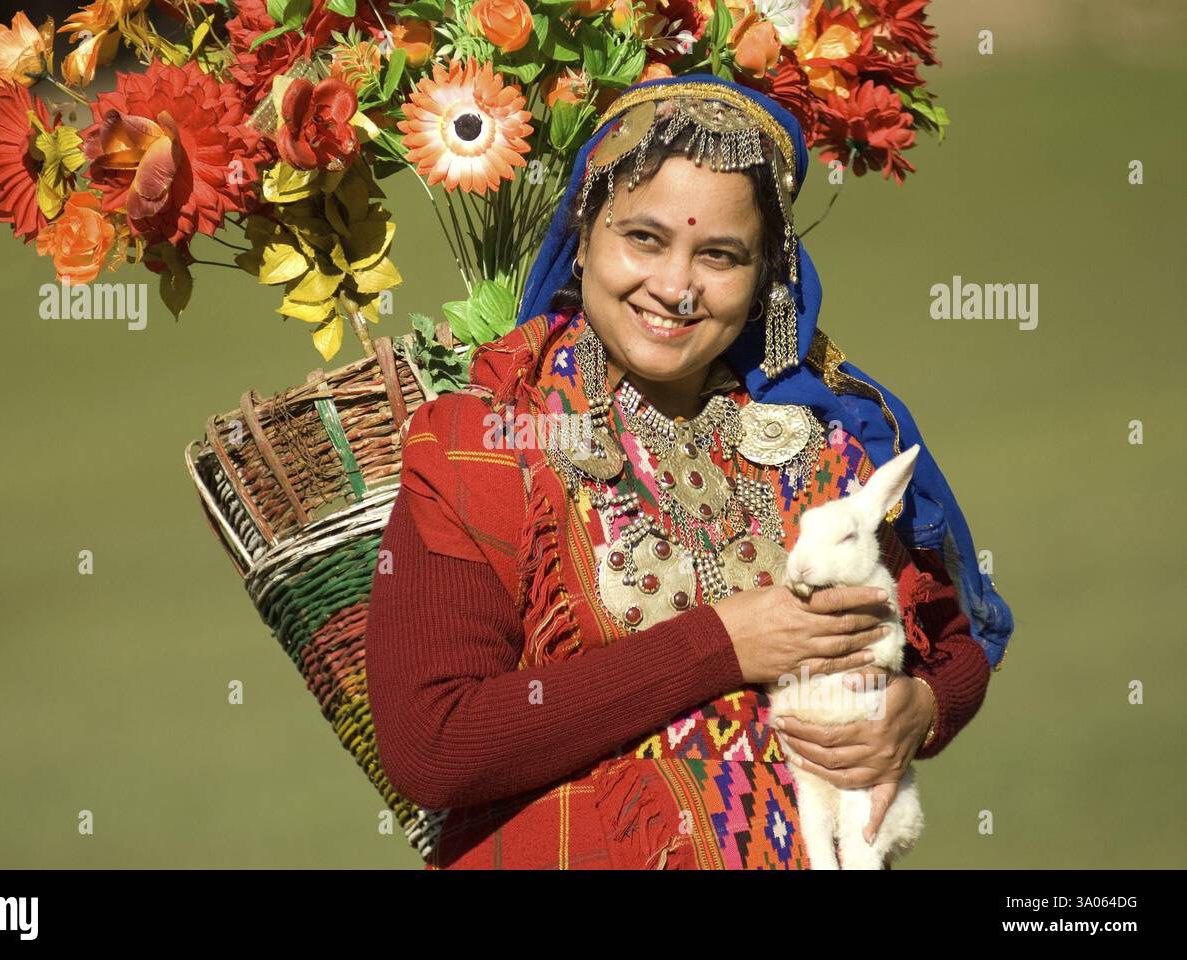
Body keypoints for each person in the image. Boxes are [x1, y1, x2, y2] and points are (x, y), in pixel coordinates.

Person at [365, 73, 1012, 869]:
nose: (675, 288)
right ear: (585, 230)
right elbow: (436, 744)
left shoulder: (823, 441)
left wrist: (920, 710)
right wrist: (722, 645)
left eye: (719, 255)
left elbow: (953, 647)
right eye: (644, 238)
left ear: (768, 275)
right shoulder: (488, 436)